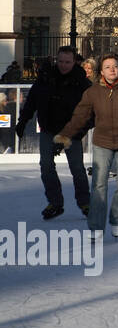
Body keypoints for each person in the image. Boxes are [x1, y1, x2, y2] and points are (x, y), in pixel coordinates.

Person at [53, 52, 118, 240]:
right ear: (101, 71)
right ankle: (96, 226)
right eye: (108, 67)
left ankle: (117, 219)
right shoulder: (93, 92)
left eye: (115, 66)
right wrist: (64, 137)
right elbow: (79, 117)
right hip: (102, 143)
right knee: (99, 185)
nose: (112, 70)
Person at [16, 46, 92, 219]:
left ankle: (85, 202)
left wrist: (79, 132)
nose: (64, 65)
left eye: (68, 62)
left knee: (77, 168)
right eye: (61, 61)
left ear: (74, 62)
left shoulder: (82, 82)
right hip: (49, 129)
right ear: (56, 60)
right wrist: (22, 121)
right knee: (46, 166)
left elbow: (91, 111)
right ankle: (55, 202)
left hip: (71, 132)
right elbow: (32, 101)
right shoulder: (45, 78)